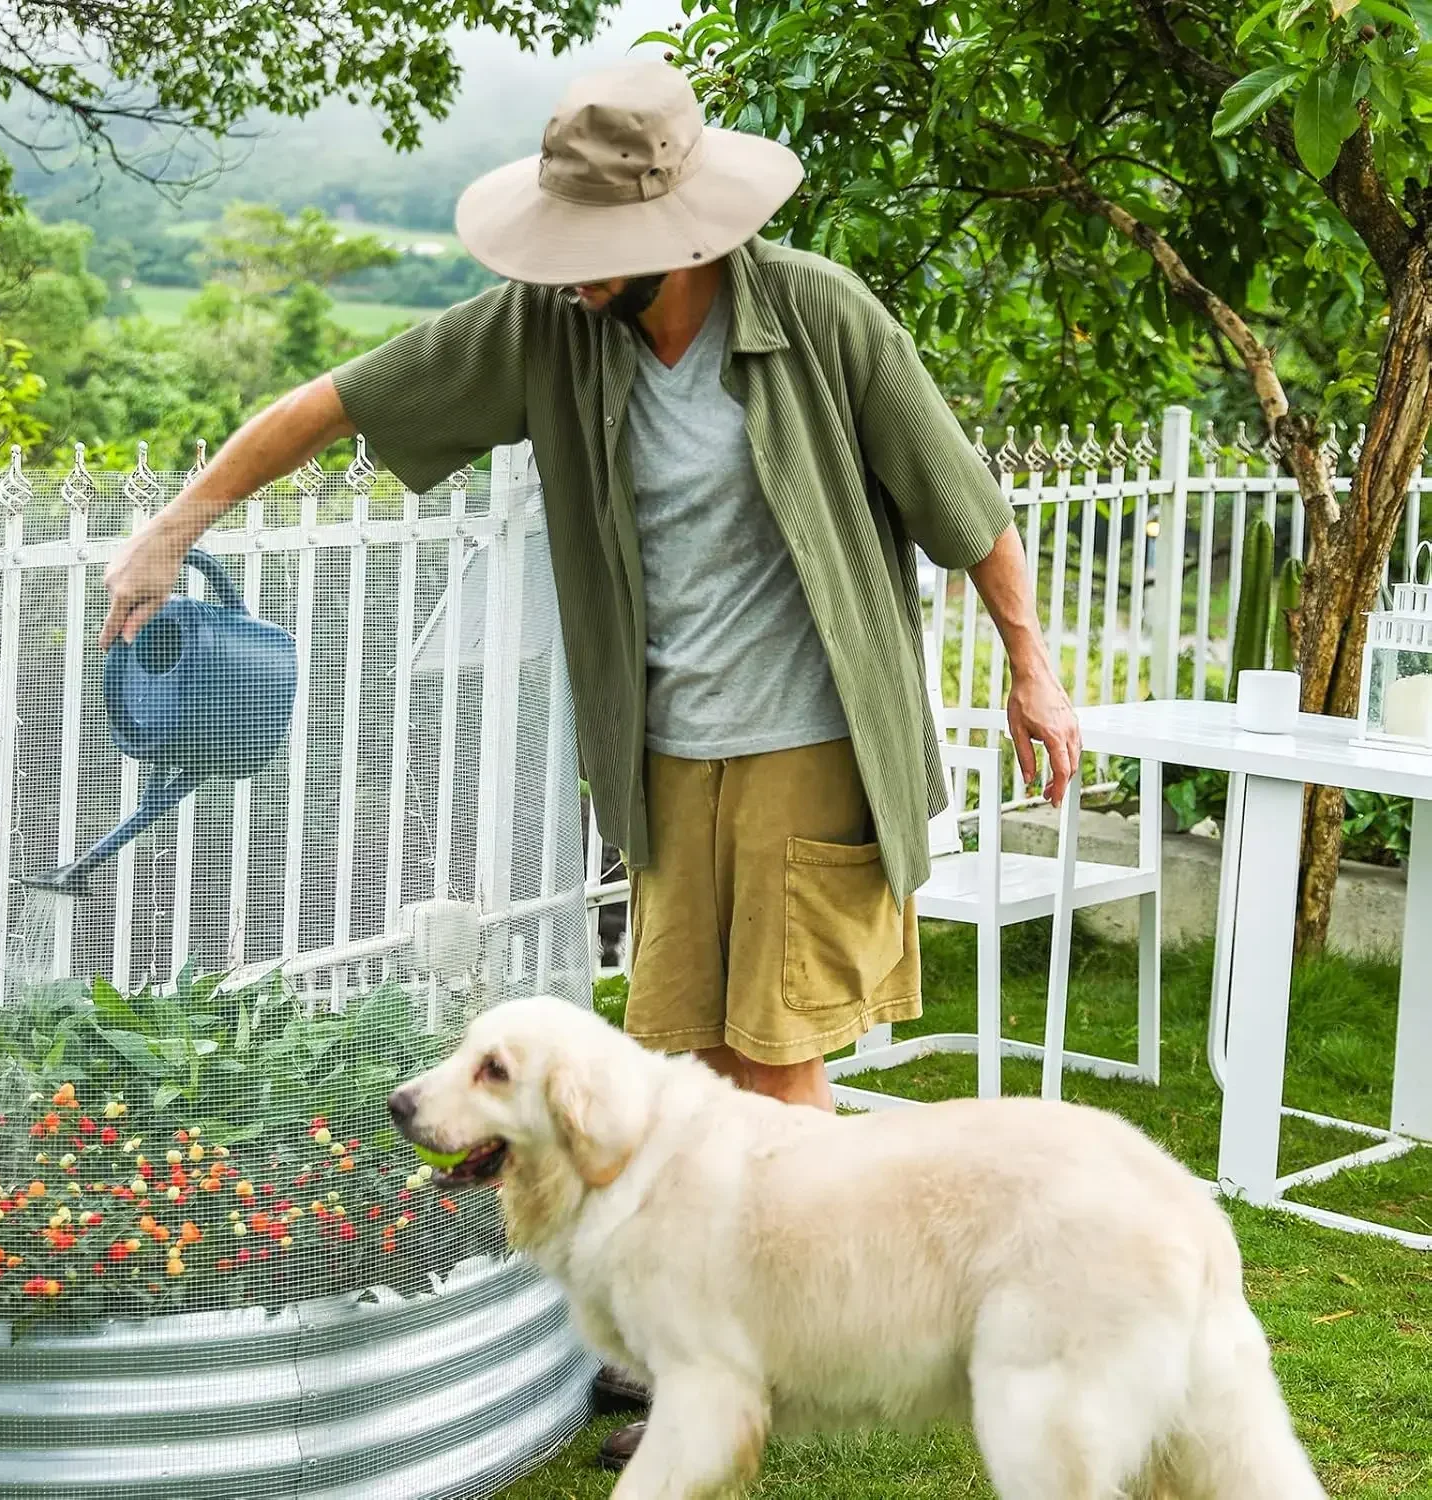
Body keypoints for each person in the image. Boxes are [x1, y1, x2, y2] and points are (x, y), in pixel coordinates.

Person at [100, 59, 1081, 1471]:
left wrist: (1034, 672)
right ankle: (715, 1348)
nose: (568, 276)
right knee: (682, 1068)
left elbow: (970, 513)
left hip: (813, 742)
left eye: (594, 254)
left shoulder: (819, 319)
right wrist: (173, 527)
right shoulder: (550, 328)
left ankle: (766, 1370)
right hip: (667, 757)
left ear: (682, 235)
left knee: (777, 1069)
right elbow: (334, 401)